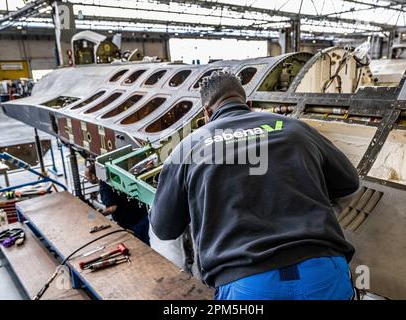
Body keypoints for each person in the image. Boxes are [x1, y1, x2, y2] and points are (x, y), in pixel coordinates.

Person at [149, 70, 359, 300]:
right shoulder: (295, 128)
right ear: (248, 103)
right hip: (323, 270)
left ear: (206, 113)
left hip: (247, 284)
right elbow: (349, 182)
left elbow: (164, 228)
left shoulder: (188, 147)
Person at [85, 162, 150, 245]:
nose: (86, 179)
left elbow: (112, 208)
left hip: (133, 222)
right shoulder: (112, 177)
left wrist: (97, 214)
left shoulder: (104, 187)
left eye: (87, 177)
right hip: (143, 214)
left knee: (143, 244)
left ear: (93, 176)